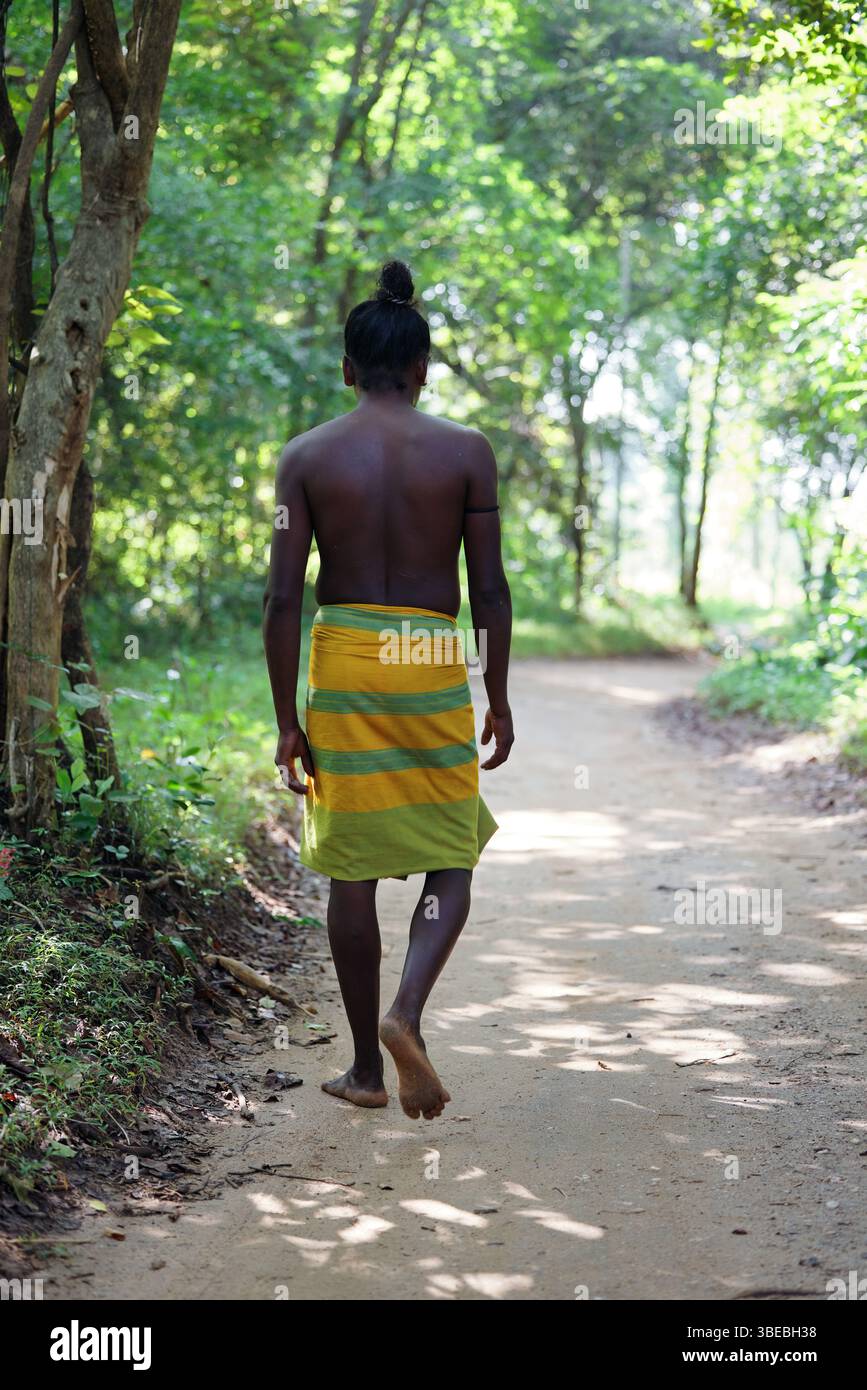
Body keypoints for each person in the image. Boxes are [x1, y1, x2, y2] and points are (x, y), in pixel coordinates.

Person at [263, 259, 513, 1120]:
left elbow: (282, 596)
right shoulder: (465, 452)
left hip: (344, 661)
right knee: (451, 846)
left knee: (353, 866)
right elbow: (489, 591)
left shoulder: (305, 458)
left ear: (345, 368)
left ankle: (367, 1066)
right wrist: (500, 695)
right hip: (428, 655)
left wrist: (286, 718)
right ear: (423, 368)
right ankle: (407, 1009)